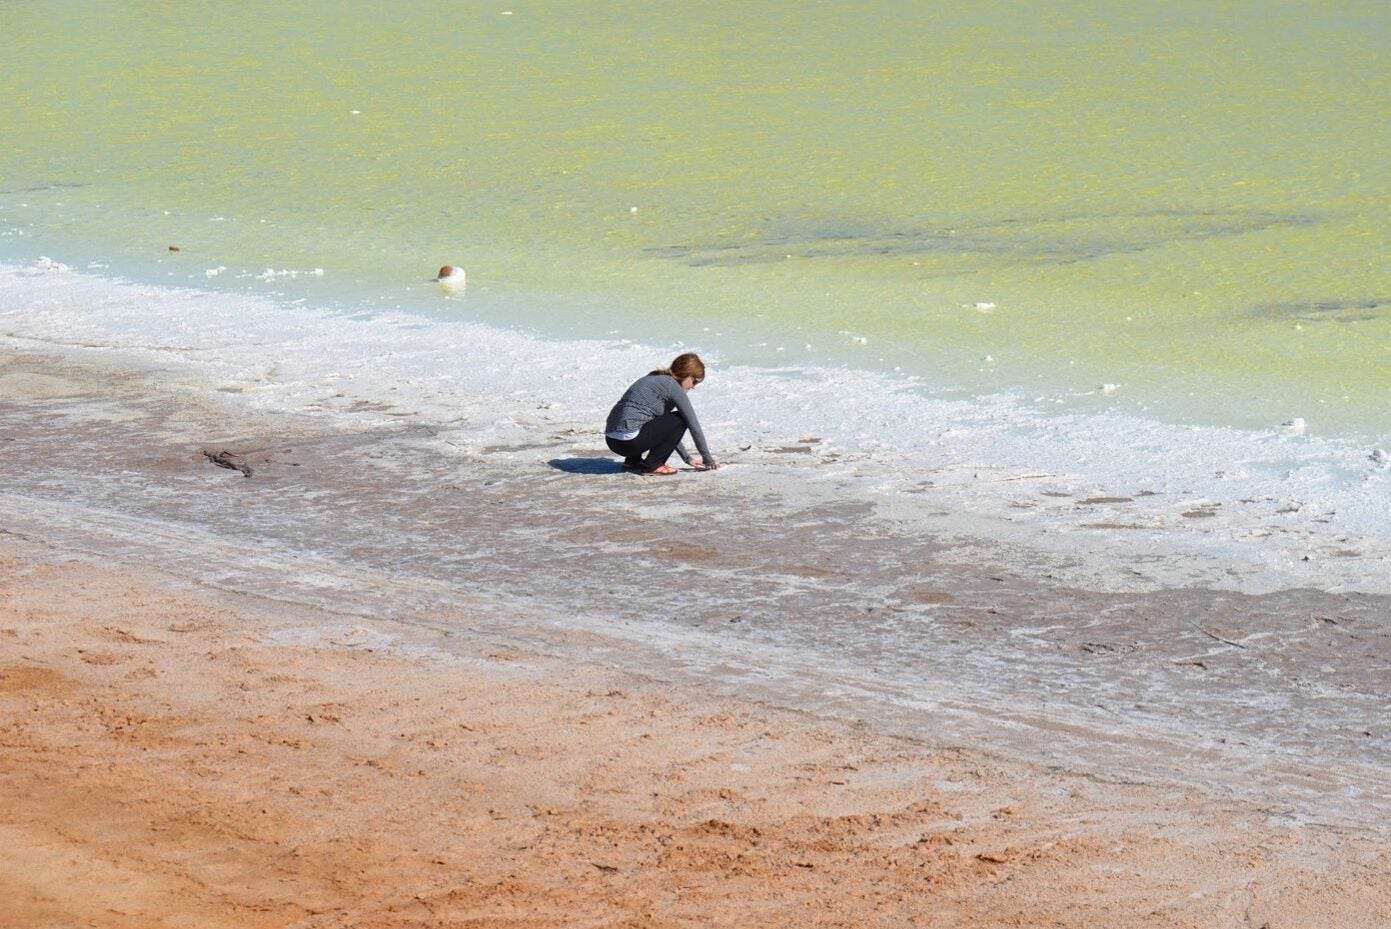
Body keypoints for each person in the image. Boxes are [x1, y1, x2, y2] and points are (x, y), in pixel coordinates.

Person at [605, 352, 720, 475]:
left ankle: (632, 462)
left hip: (613, 441)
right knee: (681, 418)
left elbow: (665, 431)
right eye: (694, 381)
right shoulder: (671, 385)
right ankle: (654, 465)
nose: (693, 387)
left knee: (642, 418)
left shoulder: (651, 378)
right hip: (630, 443)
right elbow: (693, 424)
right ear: (686, 374)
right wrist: (707, 458)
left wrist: (688, 459)